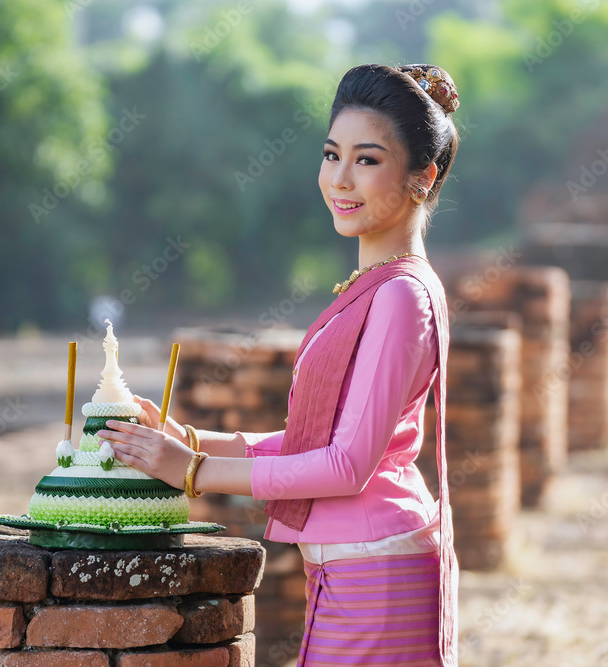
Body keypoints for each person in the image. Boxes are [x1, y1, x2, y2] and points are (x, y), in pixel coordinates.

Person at [97, 62, 462, 666]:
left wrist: (194, 472)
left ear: (423, 176)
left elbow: (346, 466)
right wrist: (190, 439)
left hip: (377, 573)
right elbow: (313, 441)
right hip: (357, 568)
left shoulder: (400, 295)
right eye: (331, 154)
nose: (339, 179)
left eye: (367, 160)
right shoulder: (377, 285)